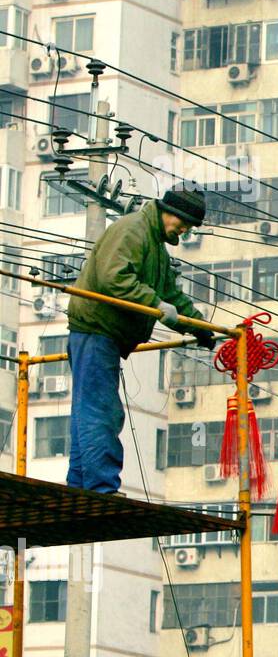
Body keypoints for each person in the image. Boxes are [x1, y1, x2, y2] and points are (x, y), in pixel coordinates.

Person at [65, 189, 217, 494]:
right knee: (101, 409)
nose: (184, 231)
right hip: (96, 329)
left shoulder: (156, 248)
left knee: (90, 407)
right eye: (183, 223)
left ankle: (82, 484)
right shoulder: (134, 230)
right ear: (167, 212)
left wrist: (198, 325)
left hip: (103, 333)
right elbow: (114, 277)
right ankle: (100, 486)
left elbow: (171, 295)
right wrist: (155, 304)